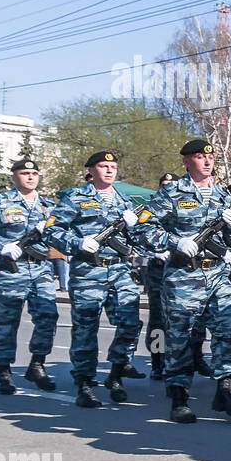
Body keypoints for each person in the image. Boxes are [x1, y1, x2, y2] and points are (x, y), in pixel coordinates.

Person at [132, 140, 231, 423]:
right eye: (199, 157)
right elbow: (143, 227)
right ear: (186, 162)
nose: (207, 162)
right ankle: (179, 396)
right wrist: (174, 241)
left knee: (227, 328)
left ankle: (225, 389)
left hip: (218, 274)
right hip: (184, 275)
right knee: (181, 336)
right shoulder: (171, 192)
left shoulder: (222, 195)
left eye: (209, 157)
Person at [43, 151, 145, 407]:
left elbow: (141, 238)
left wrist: (138, 228)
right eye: (103, 166)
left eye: (113, 166)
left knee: (131, 323)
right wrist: (76, 242)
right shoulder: (75, 197)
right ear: (91, 170)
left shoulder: (126, 201)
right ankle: (85, 384)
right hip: (88, 271)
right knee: (86, 328)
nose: (109, 170)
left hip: (120, 270)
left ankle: (116, 373)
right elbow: (52, 231)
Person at [0, 158, 60, 395]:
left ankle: (37, 364)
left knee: (48, 317)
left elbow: (62, 233)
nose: (30, 177)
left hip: (41, 269)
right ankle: (4, 372)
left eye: (34, 173)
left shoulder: (49, 207)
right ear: (14, 176)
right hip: (11, 271)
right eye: (25, 173)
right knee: (7, 323)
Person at [143, 172, 179, 380]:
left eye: (171, 184)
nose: (167, 187)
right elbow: (139, 234)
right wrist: (153, 251)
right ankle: (157, 361)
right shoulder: (153, 208)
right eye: (164, 184)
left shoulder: (182, 205)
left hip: (180, 269)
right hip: (158, 270)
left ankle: (184, 360)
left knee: (179, 319)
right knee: (158, 320)